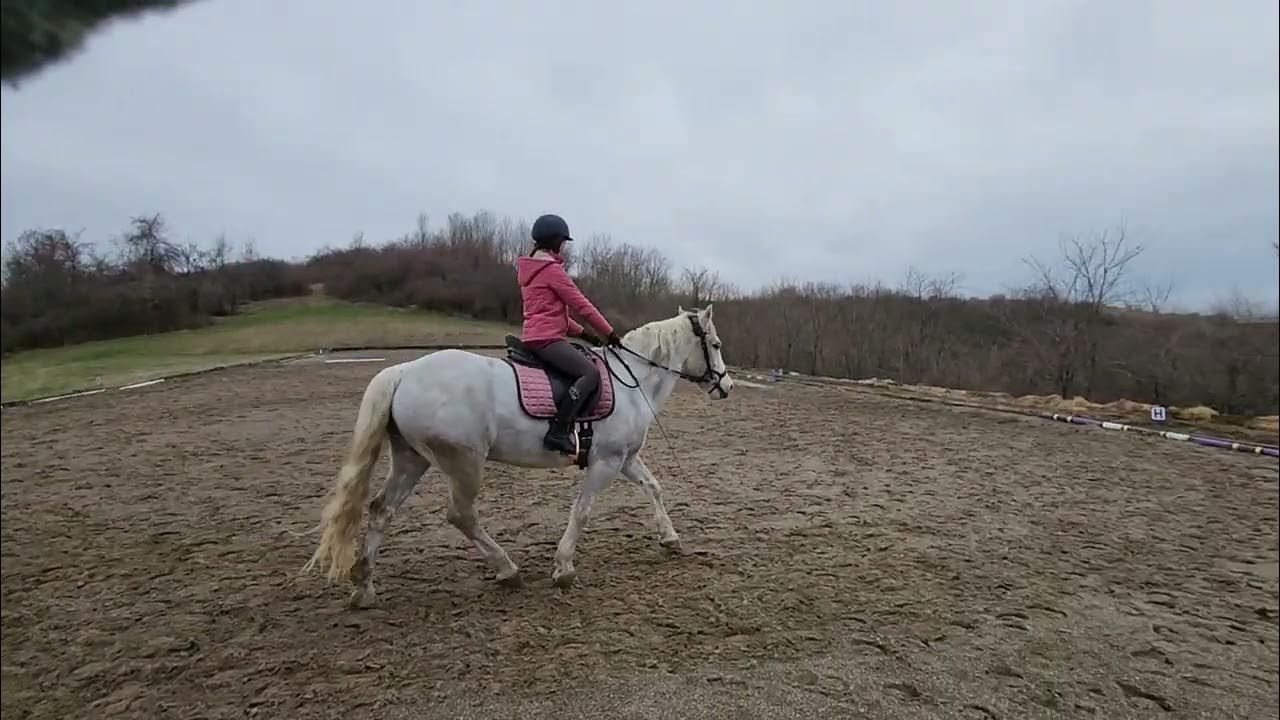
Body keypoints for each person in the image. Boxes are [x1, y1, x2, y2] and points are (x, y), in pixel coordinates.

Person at [516, 213, 621, 455]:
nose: (562, 246)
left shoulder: (530, 270)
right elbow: (582, 305)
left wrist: (587, 336)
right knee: (590, 373)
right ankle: (558, 431)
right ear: (554, 241)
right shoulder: (551, 270)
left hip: (534, 336)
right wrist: (610, 333)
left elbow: (552, 314)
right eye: (562, 242)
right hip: (547, 340)